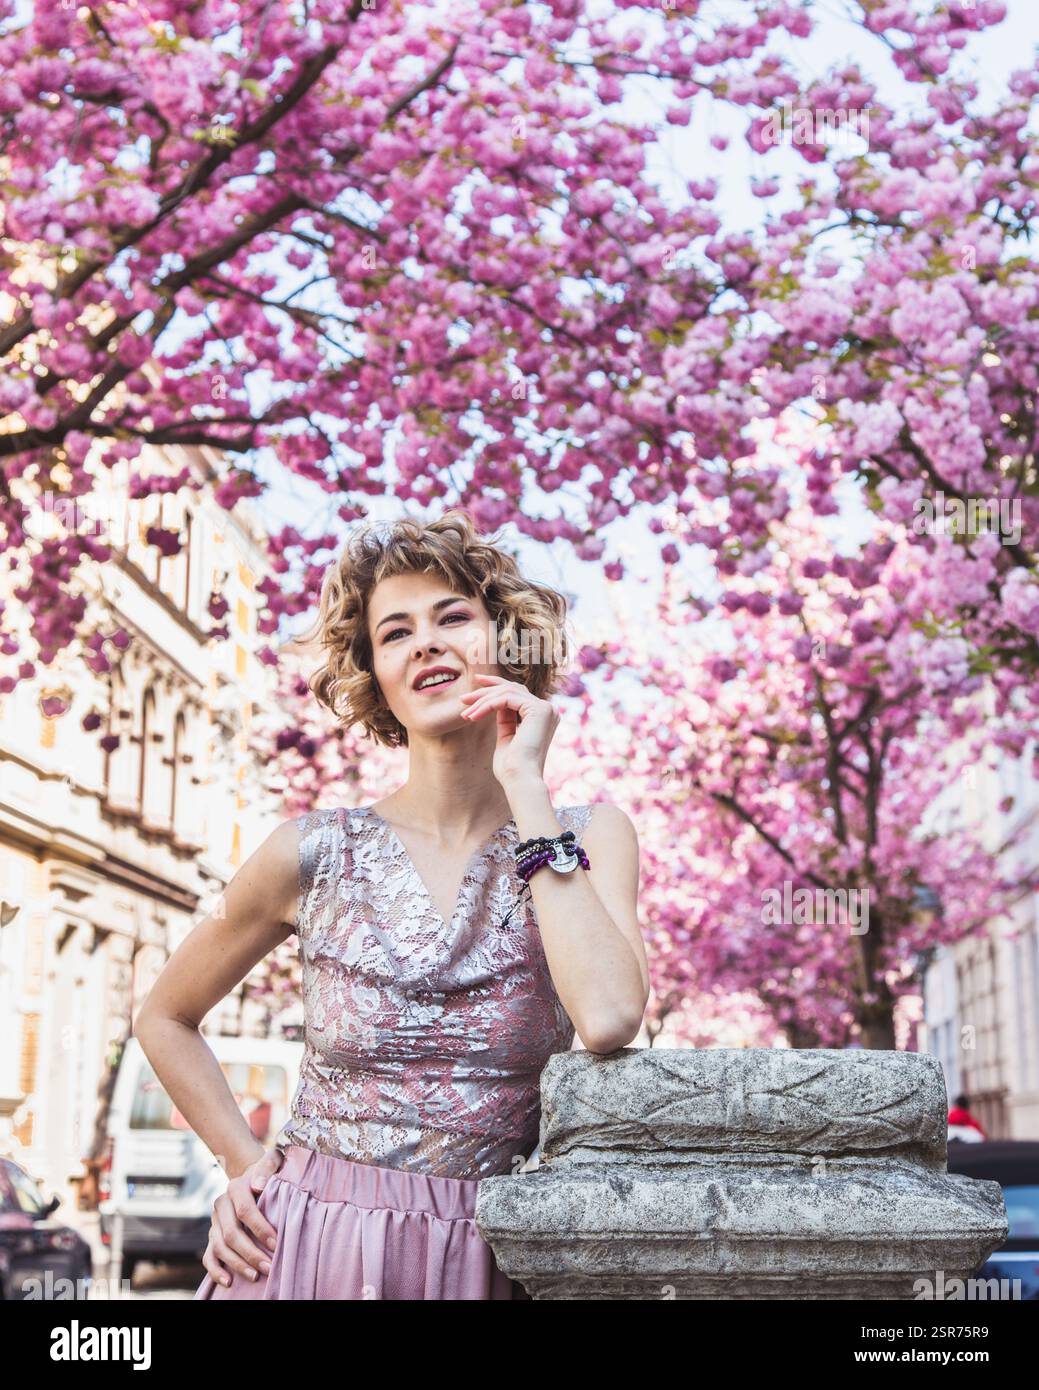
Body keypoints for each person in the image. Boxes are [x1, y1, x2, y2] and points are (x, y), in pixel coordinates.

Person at [134, 509, 649, 1300]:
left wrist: (528, 789)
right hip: (306, 1247)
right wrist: (243, 1162)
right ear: (375, 671)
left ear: (505, 641)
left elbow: (610, 1018)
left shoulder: (591, 835)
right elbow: (164, 1016)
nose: (427, 643)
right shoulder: (307, 851)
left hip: (493, 1255)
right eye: (396, 632)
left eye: (453, 618)